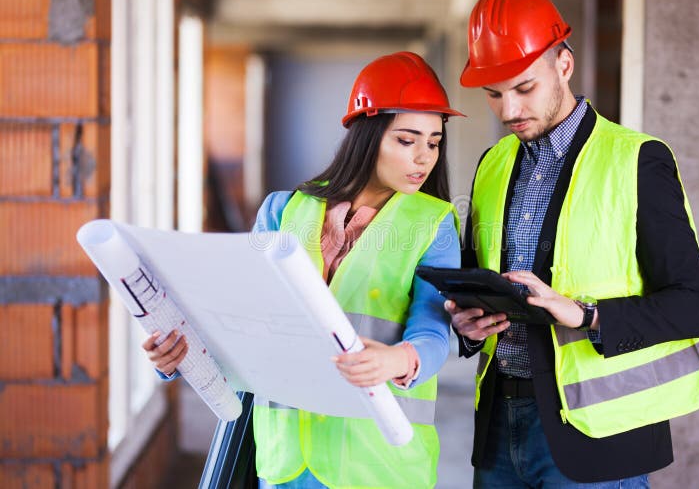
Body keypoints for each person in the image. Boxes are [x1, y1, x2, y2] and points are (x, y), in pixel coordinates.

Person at [142, 51, 464, 489]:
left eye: (433, 142)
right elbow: (242, 316)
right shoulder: (282, 211)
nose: (423, 158)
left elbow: (433, 327)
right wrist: (182, 355)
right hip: (286, 458)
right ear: (367, 136)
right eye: (407, 141)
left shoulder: (434, 223)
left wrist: (399, 359)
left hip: (376, 463)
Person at [446, 0, 699, 488]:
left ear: (564, 65)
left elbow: (695, 307)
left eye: (524, 88)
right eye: (494, 95)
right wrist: (467, 323)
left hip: (598, 439)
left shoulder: (637, 160)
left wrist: (585, 315)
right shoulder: (492, 165)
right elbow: (478, 280)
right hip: (499, 429)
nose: (509, 110)